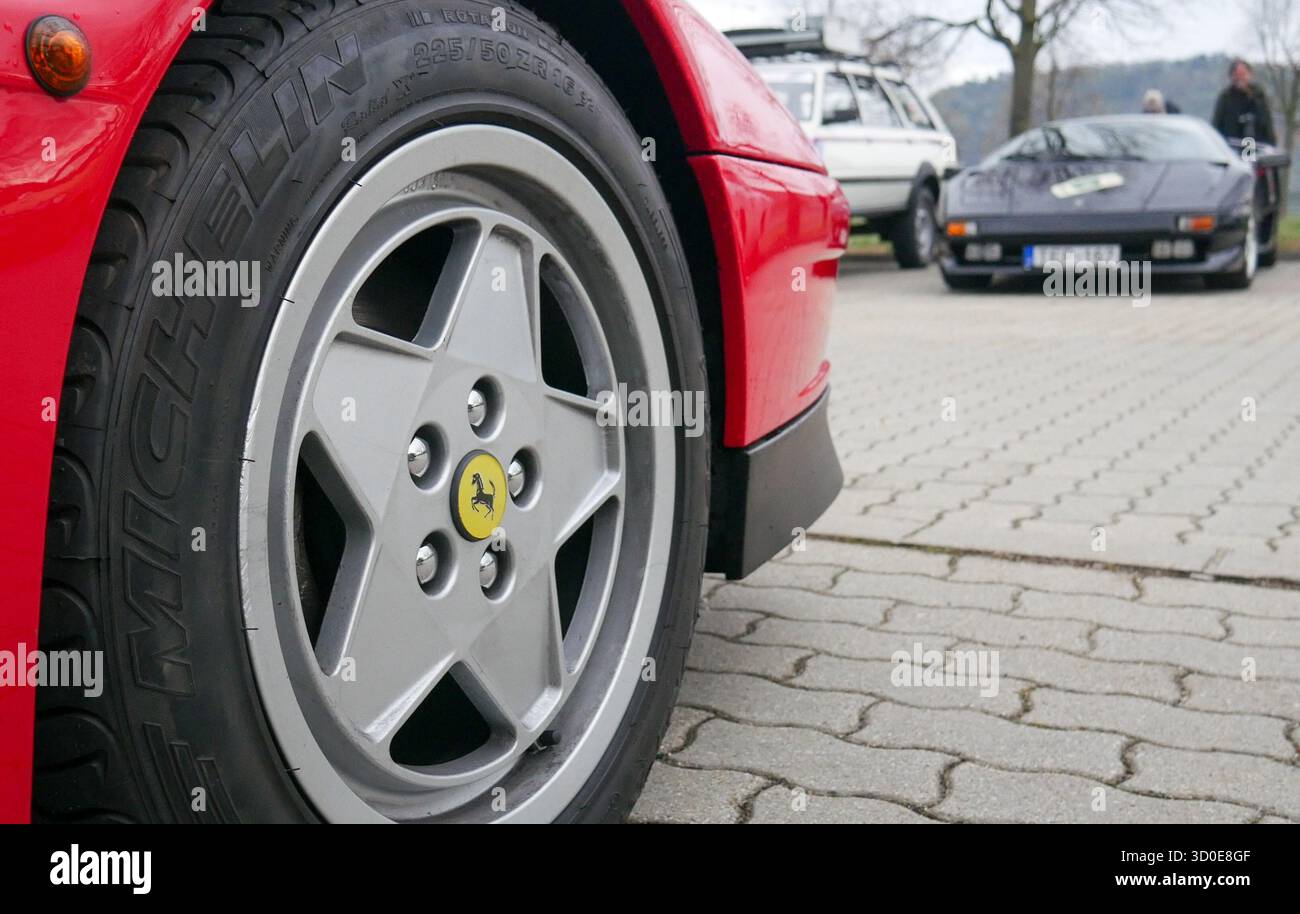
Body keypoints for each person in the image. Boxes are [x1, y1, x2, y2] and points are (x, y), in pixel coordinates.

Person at [1212, 58, 1276, 145]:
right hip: (1232, 146)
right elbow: (1217, 123)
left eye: (1243, 74)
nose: (1240, 78)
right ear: (1232, 76)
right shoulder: (1226, 97)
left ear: (1250, 74)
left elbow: (1267, 123)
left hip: (1255, 145)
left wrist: (1272, 144)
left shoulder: (1258, 95)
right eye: (1237, 74)